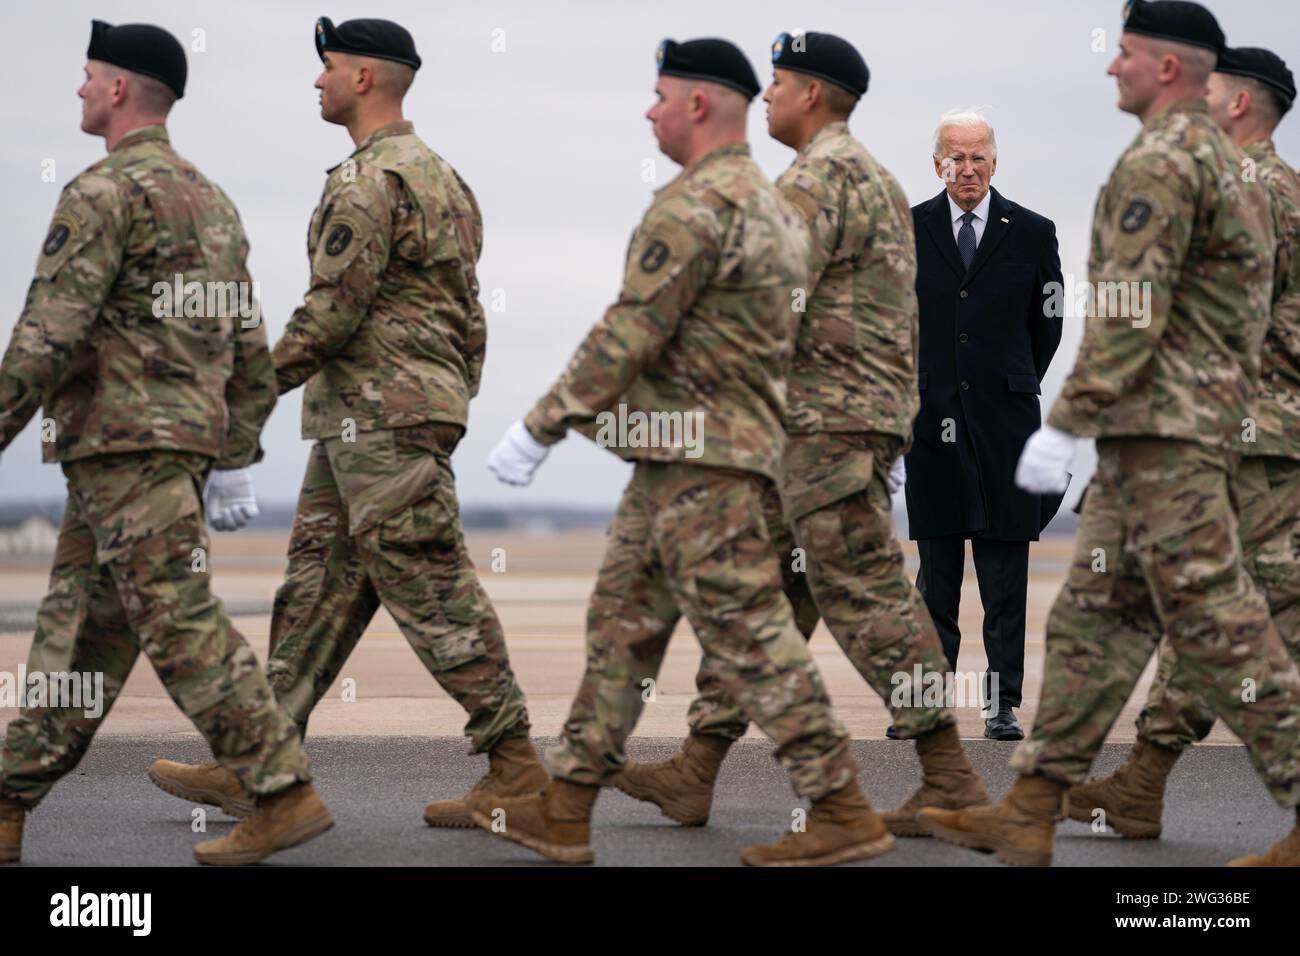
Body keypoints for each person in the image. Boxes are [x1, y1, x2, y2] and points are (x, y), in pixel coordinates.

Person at [473, 37, 890, 868]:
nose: (649, 109)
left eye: (659, 95)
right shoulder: (771, 207)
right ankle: (567, 805)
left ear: (698, 104)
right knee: (621, 627)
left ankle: (841, 807)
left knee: (752, 636)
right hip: (690, 458)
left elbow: (631, 326)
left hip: (704, 465)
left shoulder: (697, 205)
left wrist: (544, 422)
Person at [919, 0, 1300, 868]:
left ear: (1167, 67)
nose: (1107, 65)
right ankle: (1034, 803)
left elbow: (1129, 309)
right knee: (1095, 620)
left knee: (1223, 627)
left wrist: (1068, 423)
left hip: (1178, 439)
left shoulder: (1167, 159)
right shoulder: (1216, 160)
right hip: (1161, 435)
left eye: (1122, 52)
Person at [146, 16, 545, 830]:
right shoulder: (446, 179)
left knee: (433, 589)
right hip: (378, 421)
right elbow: (471, 317)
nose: (316, 82)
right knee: (314, 591)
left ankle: (518, 771)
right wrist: (451, 402)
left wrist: (237, 399)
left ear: (365, 78)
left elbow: (330, 314)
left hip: (382, 423)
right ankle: (257, 765)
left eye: (327, 68)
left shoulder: (369, 181)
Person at [613, 31, 988, 839]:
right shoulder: (872, 177)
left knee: (871, 602)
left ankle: (950, 779)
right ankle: (697, 766)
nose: (767, 96)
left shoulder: (818, 181)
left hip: (825, 425)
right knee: (768, 598)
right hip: (835, 421)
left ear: (812, 93)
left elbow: (760, 299)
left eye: (778, 81)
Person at [0, 20, 329, 866]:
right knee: (80, 634)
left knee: (179, 623)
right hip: (159, 453)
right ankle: (8, 800)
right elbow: (248, 348)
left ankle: (281, 792)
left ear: (118, 90)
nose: (77, 90)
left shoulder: (100, 193)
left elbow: (46, 336)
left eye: (86, 77)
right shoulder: (212, 201)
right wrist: (234, 455)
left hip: (123, 447)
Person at [1066, 45, 1300, 846]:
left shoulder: (1246, 189)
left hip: (1243, 438)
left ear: (1237, 105)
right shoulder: (1277, 189)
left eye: (1210, 91)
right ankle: (1141, 781)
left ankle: (1135, 780)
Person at [905, 107, 1065, 740]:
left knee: (1004, 576)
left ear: (994, 163)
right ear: (937, 163)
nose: (966, 168)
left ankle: (1002, 707)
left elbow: (1046, 322)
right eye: (954, 157)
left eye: (977, 157)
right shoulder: (908, 228)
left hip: (1007, 424)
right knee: (935, 576)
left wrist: (1013, 378)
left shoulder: (1031, 231)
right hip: (931, 419)